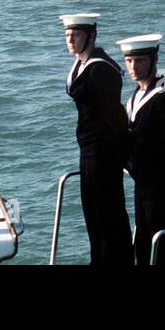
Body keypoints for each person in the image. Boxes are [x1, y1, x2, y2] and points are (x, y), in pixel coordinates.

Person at [61, 13, 132, 266]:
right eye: (67, 35)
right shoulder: (82, 63)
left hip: (103, 154)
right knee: (93, 216)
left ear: (91, 36)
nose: (70, 39)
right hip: (88, 151)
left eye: (76, 35)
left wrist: (120, 157)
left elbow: (114, 116)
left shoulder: (100, 69)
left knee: (109, 217)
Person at [119, 34, 165, 267]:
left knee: (164, 250)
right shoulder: (139, 93)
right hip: (142, 185)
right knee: (144, 243)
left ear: (155, 60)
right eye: (129, 61)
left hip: (161, 189)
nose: (133, 67)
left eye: (140, 61)